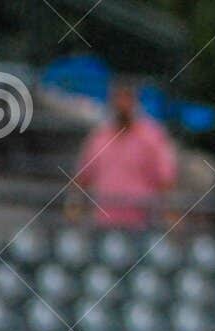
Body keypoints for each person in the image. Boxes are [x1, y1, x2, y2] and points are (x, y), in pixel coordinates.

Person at [72, 81, 178, 229]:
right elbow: (82, 178)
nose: (122, 104)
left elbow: (165, 180)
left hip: (141, 224)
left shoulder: (153, 137)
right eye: (118, 98)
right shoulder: (99, 137)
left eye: (127, 98)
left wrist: (169, 216)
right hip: (103, 223)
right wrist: (74, 209)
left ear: (135, 102)